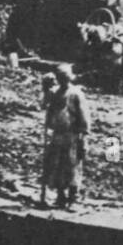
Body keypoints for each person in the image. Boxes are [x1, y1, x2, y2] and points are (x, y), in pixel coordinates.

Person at [42, 64, 90, 209]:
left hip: (73, 135)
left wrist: (84, 136)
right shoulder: (55, 93)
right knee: (57, 165)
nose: (62, 80)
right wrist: (45, 89)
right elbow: (46, 106)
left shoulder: (76, 94)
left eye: (65, 77)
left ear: (69, 77)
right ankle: (61, 196)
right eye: (60, 77)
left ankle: (73, 198)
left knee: (72, 166)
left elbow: (84, 116)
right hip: (58, 134)